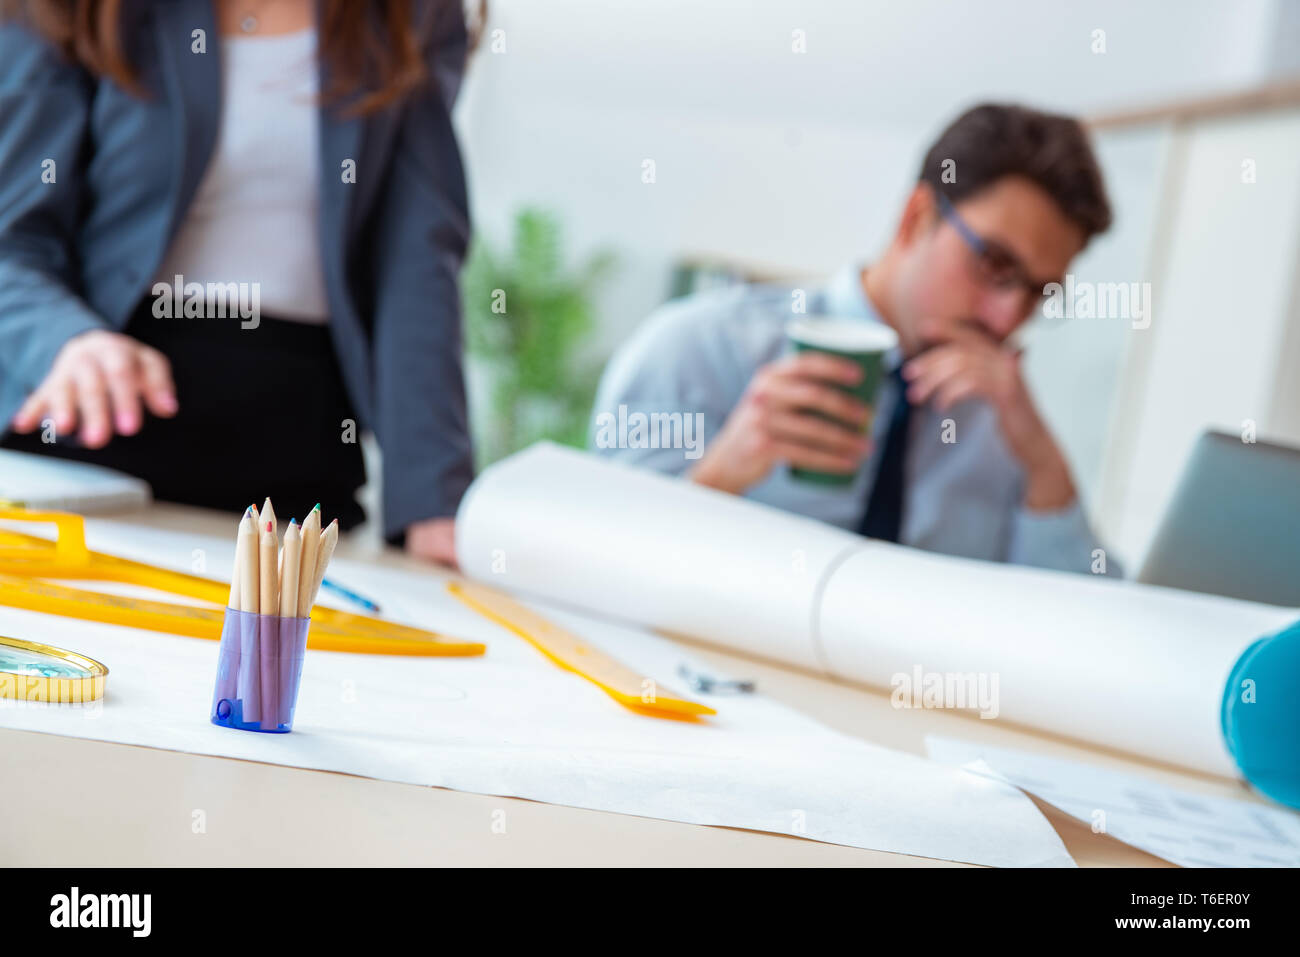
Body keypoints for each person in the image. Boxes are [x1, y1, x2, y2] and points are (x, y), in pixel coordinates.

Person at [0, 0, 477, 565]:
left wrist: (432, 499)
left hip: (296, 467)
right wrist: (65, 340)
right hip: (85, 444)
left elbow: (416, 263)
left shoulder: (411, 15)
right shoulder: (70, 10)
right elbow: (13, 236)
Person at [591, 104, 1122, 577]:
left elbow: (1089, 625)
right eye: (994, 264)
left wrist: (1044, 463)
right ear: (917, 219)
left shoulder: (1003, 429)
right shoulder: (700, 349)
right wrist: (722, 474)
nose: (1009, 316)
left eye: (1039, 292)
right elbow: (597, 568)